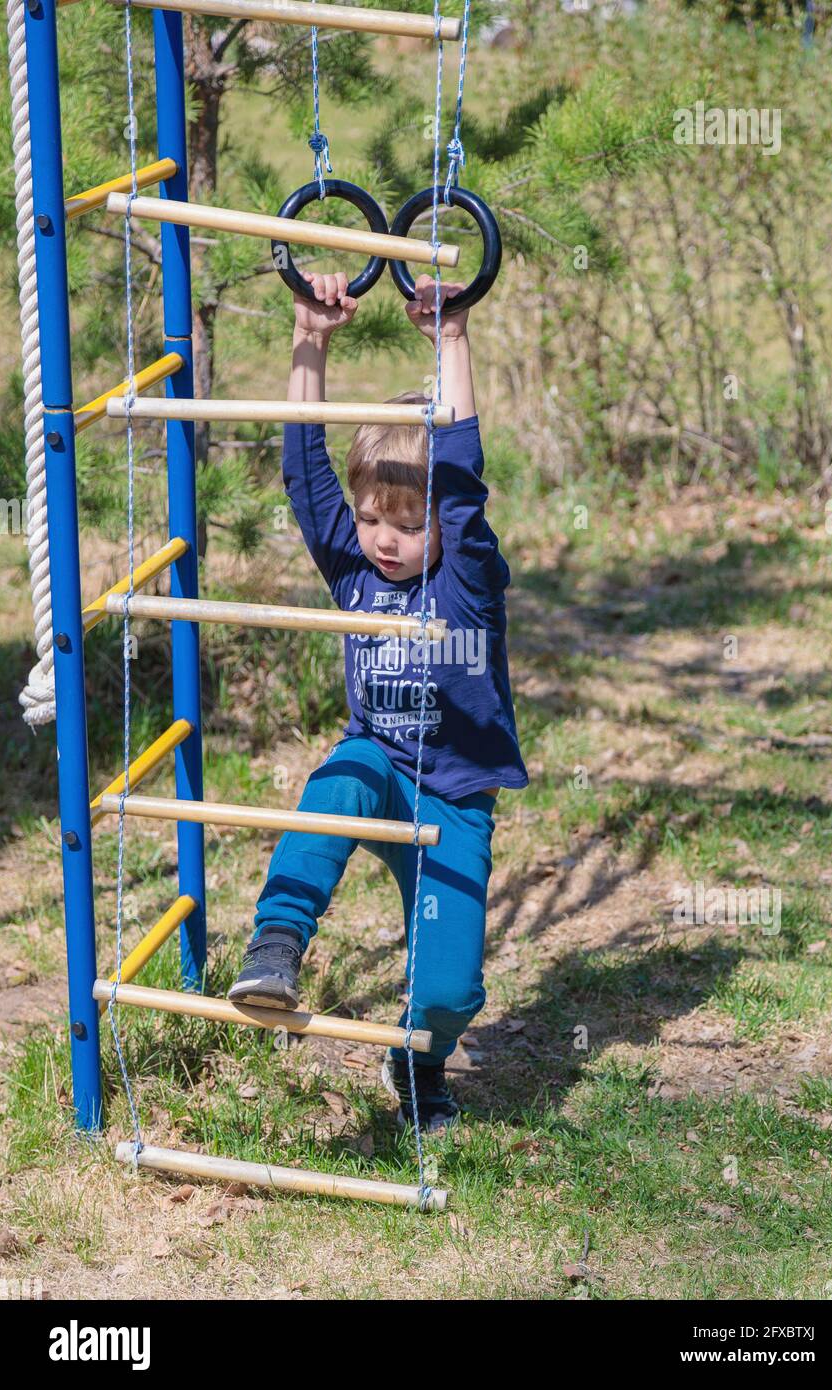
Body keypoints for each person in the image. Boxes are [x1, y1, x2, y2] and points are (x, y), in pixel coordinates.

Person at [228, 268, 528, 1131]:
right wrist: (309, 341)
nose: (384, 540)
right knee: (342, 772)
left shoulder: (468, 582)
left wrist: (454, 339)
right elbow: (302, 469)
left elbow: (463, 481)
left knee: (448, 987)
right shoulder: (354, 566)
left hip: (454, 798)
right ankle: (277, 945)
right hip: (382, 769)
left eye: (406, 523)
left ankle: (418, 1062)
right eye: (370, 518)